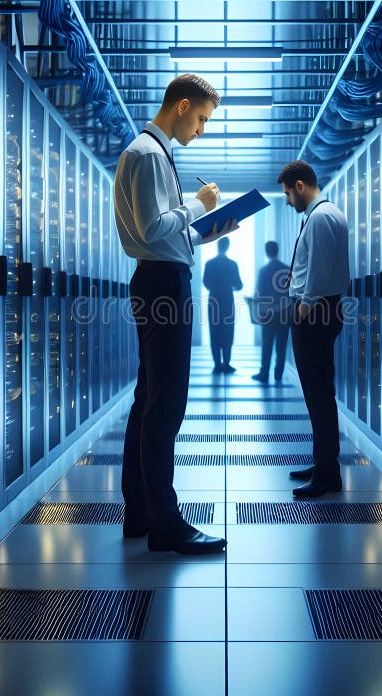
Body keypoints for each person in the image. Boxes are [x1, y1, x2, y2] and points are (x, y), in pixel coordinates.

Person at [114, 73, 236, 554]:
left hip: (159, 277)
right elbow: (153, 227)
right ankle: (165, 523)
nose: (201, 130)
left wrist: (209, 229)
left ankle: (141, 513)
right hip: (163, 285)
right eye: (201, 119)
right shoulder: (148, 154)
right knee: (166, 405)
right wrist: (197, 206)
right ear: (182, 106)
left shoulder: (152, 154)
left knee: (149, 399)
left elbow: (163, 235)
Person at [278, 161, 350, 498]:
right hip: (322, 309)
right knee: (318, 393)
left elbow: (319, 271)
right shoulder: (322, 214)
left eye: (287, 193)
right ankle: (323, 464)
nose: (287, 200)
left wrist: (303, 307)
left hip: (316, 312)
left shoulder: (321, 217)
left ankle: (326, 474)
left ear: (300, 185)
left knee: (318, 395)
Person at [252, 241, 291, 384]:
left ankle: (264, 373)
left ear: (267, 252)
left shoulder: (263, 271)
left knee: (267, 343)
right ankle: (278, 374)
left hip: (268, 313)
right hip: (283, 312)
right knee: (281, 344)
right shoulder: (287, 270)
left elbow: (259, 293)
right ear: (277, 251)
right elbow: (291, 292)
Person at [203, 236, 242, 373]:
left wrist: (215, 287)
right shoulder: (232, 264)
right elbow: (239, 285)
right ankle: (226, 364)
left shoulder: (209, 263)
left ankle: (217, 365)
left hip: (213, 301)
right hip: (227, 301)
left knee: (214, 332)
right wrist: (231, 287)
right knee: (228, 332)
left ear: (218, 246)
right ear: (227, 247)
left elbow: (206, 282)